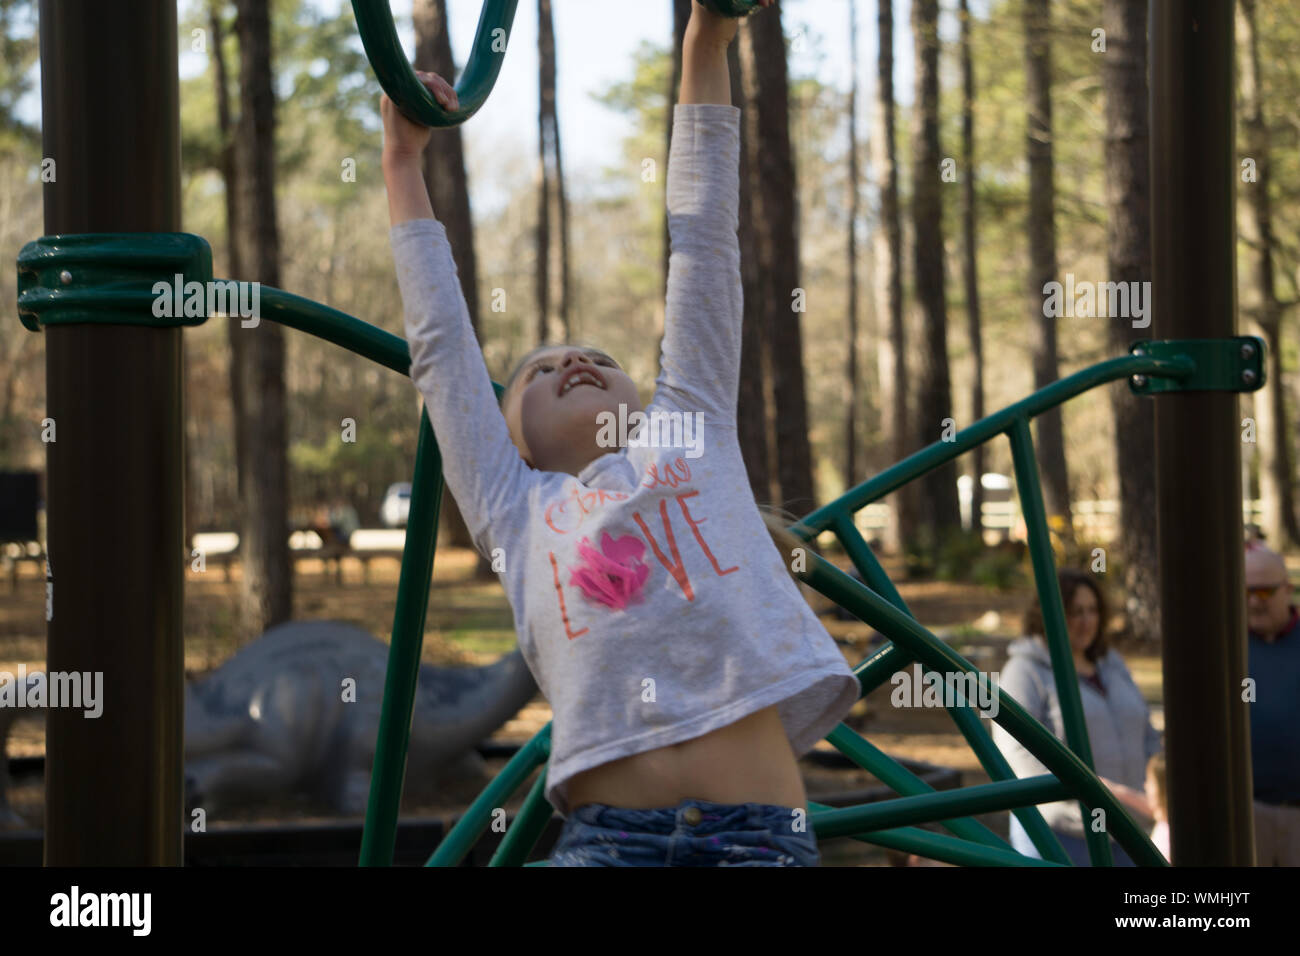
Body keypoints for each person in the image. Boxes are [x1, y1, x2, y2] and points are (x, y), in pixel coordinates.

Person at [383, 0, 855, 866]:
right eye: (540, 369)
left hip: (759, 841)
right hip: (607, 844)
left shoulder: (691, 425)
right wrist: (403, 161)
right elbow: (442, 350)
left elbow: (704, 236)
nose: (572, 362)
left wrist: (706, 37)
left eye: (595, 354)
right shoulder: (512, 505)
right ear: (509, 437)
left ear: (642, 396)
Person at [991, 568, 1162, 866]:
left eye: (1092, 610)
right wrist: (1076, 805)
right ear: (1049, 614)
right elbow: (1017, 754)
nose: (1086, 622)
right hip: (1061, 835)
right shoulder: (1024, 672)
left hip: (1129, 830)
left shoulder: (1112, 665)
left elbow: (1146, 733)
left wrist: (1155, 792)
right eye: (1074, 612)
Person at [1243, 543, 1300, 865]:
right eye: (1247, 591)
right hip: (1246, 812)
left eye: (1264, 592)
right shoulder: (1226, 643)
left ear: (1287, 589)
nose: (1253, 601)